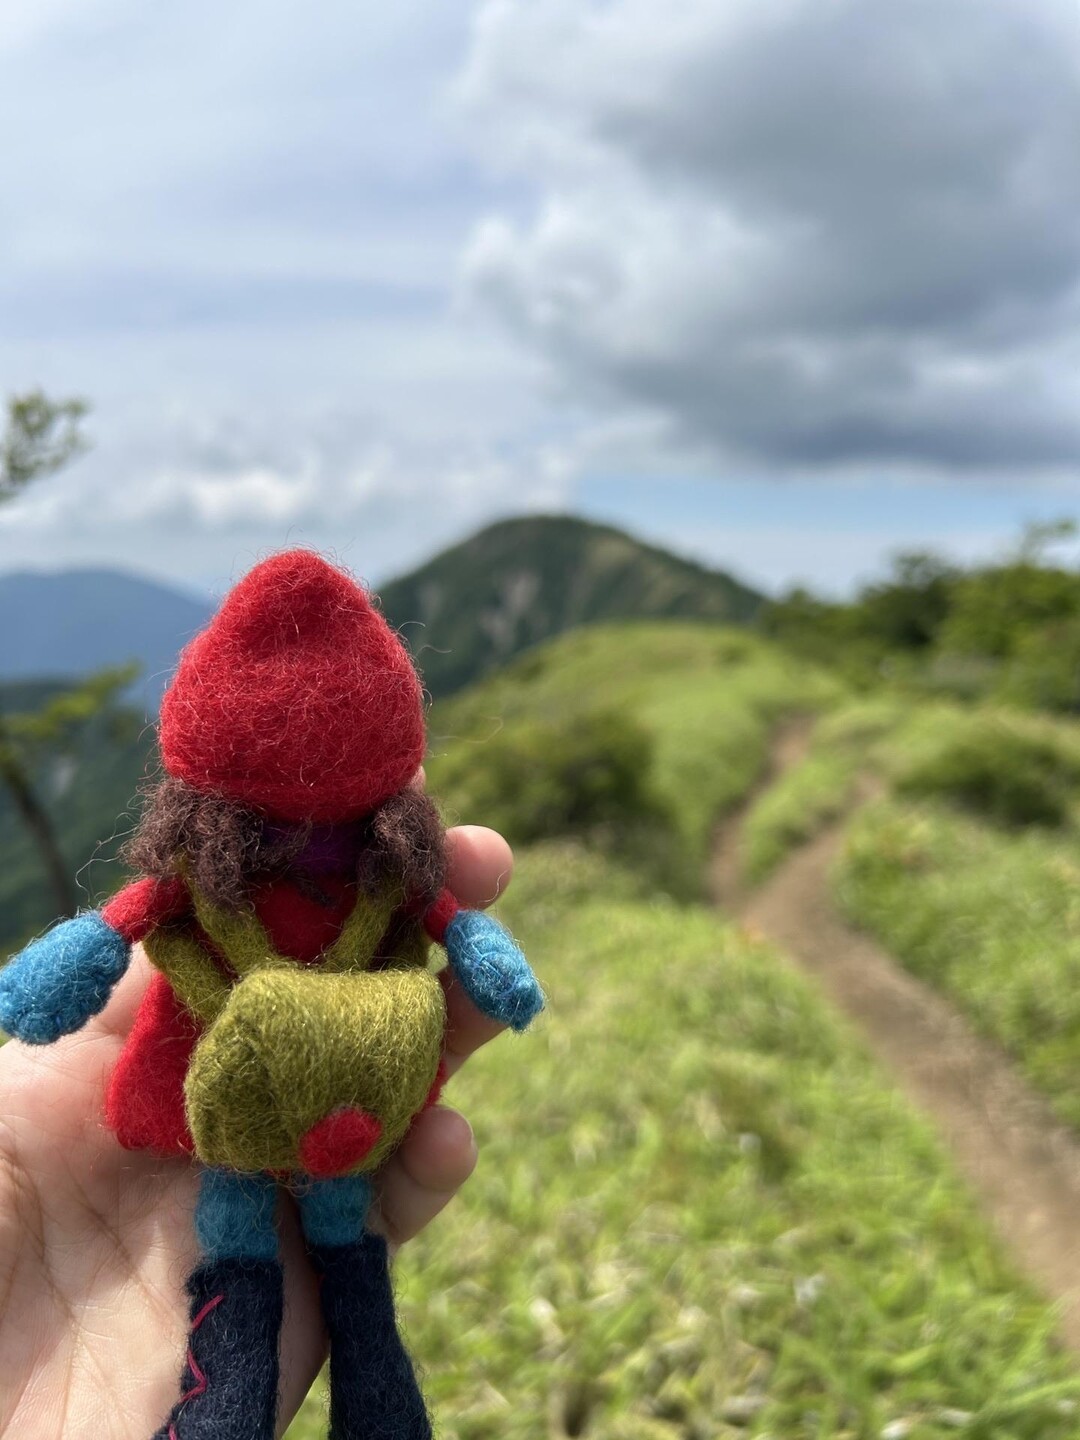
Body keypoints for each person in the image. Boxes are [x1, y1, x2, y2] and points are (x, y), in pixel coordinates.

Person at [0, 821, 516, 1439]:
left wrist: (475, 945)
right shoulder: (365, 863)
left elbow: (128, 916)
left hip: (324, 1087)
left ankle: (264, 1403)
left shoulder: (369, 861)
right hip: (271, 1095)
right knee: (299, 1229)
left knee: (287, 1230)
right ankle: (272, 1404)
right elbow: (126, 919)